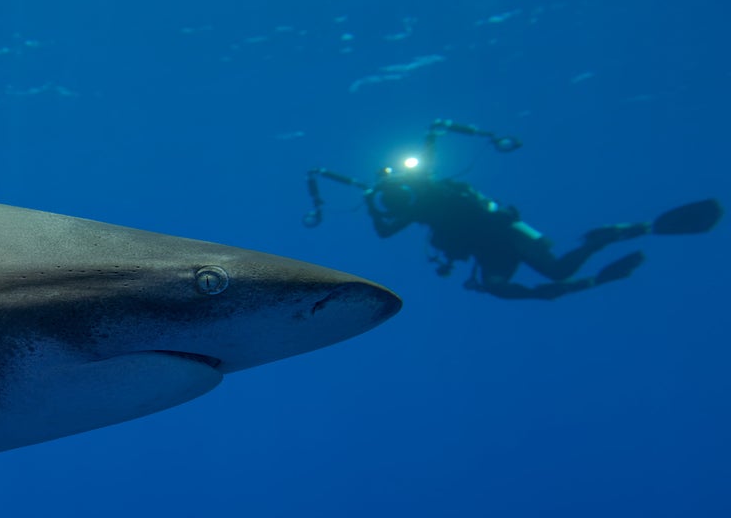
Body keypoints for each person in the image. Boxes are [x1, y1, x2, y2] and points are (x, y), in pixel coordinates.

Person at [304, 119, 723, 300]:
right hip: (489, 250)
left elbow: (434, 133)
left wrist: (378, 206)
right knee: (502, 288)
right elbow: (385, 231)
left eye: (395, 190)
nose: (396, 196)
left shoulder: (427, 189)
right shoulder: (416, 207)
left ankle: (632, 230)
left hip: (503, 233)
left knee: (557, 267)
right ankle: (590, 281)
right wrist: (375, 208)